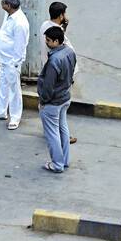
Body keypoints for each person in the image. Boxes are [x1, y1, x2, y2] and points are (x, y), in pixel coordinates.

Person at [0, 0, 30, 130]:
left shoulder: (20, 23)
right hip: (3, 58)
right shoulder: (9, 15)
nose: (1, 3)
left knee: (14, 90)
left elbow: (20, 46)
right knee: (3, 86)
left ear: (9, 6)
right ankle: (0, 111)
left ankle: (15, 118)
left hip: (11, 62)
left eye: (3, 2)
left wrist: (15, 65)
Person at [38, 25, 77, 174]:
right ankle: (64, 160)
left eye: (48, 41)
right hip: (65, 97)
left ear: (56, 41)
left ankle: (57, 163)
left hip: (53, 101)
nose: (46, 43)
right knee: (63, 128)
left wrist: (43, 101)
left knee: (52, 133)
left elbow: (48, 86)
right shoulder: (70, 52)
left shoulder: (54, 60)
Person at [43, 1, 78, 146]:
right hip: (61, 81)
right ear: (61, 15)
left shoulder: (45, 27)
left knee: (58, 116)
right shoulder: (60, 46)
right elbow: (69, 52)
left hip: (50, 74)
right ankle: (59, 154)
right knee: (59, 116)